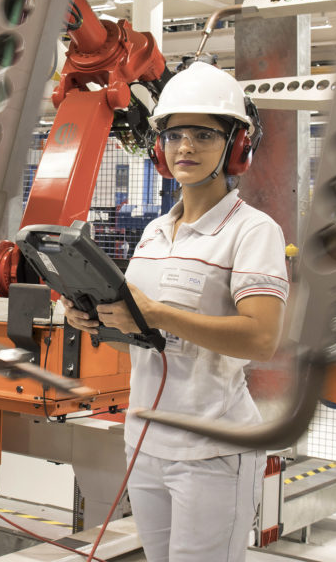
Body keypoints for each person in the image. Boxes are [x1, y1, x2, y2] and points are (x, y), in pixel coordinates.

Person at [62, 61, 289, 562]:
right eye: (173, 133)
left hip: (212, 450)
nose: (185, 147)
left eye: (203, 134)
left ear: (235, 145)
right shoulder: (154, 232)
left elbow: (261, 338)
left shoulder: (253, 231)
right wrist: (97, 317)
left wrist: (159, 313)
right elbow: (145, 324)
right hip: (145, 440)